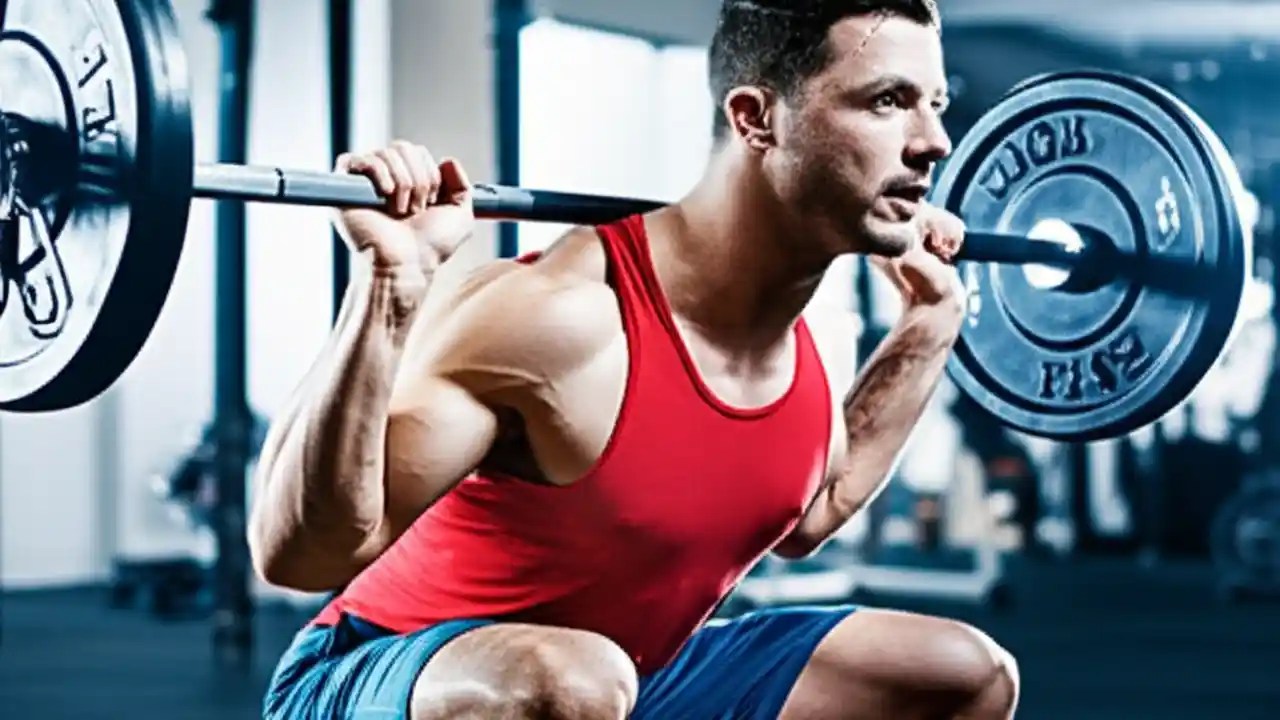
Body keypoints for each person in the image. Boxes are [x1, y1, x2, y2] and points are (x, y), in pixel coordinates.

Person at [251, 0, 1020, 718]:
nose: (934, 142)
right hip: (381, 677)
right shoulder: (561, 317)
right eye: (887, 101)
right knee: (572, 682)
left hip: (632, 674)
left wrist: (930, 320)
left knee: (962, 672)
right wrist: (390, 284)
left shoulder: (791, 352)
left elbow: (811, 512)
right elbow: (301, 554)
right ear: (756, 119)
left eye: (935, 104)